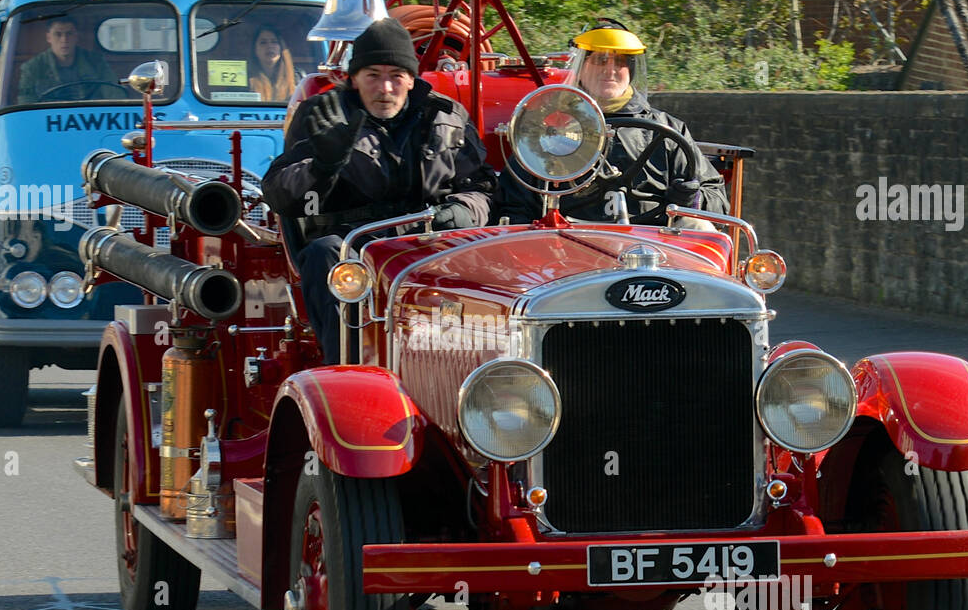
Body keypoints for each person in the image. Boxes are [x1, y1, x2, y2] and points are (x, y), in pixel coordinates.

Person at [262, 18, 495, 363]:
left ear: (412, 78)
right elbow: (282, 195)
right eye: (373, 75)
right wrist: (322, 165)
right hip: (351, 247)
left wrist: (462, 210)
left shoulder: (446, 116)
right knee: (324, 256)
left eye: (395, 75)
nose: (385, 88)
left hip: (429, 242)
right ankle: (349, 374)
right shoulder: (322, 115)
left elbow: (482, 189)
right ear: (354, 78)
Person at [496, 19, 728, 226]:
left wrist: (691, 198)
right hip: (567, 247)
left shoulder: (667, 130)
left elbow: (717, 198)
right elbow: (513, 204)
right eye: (600, 60)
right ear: (582, 67)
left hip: (654, 250)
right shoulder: (550, 127)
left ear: (631, 70)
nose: (610, 71)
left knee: (700, 227)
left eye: (620, 61)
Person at [17, 16, 122, 103]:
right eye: (58, 34)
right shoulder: (33, 67)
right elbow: (26, 101)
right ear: (49, 37)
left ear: (76, 36)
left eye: (69, 34)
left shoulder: (96, 62)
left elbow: (115, 94)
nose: (64, 40)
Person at [250, 24, 298, 103]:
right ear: (255, 49)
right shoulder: (245, 80)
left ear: (281, 48)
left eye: (274, 42)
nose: (269, 46)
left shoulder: (297, 78)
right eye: (263, 42)